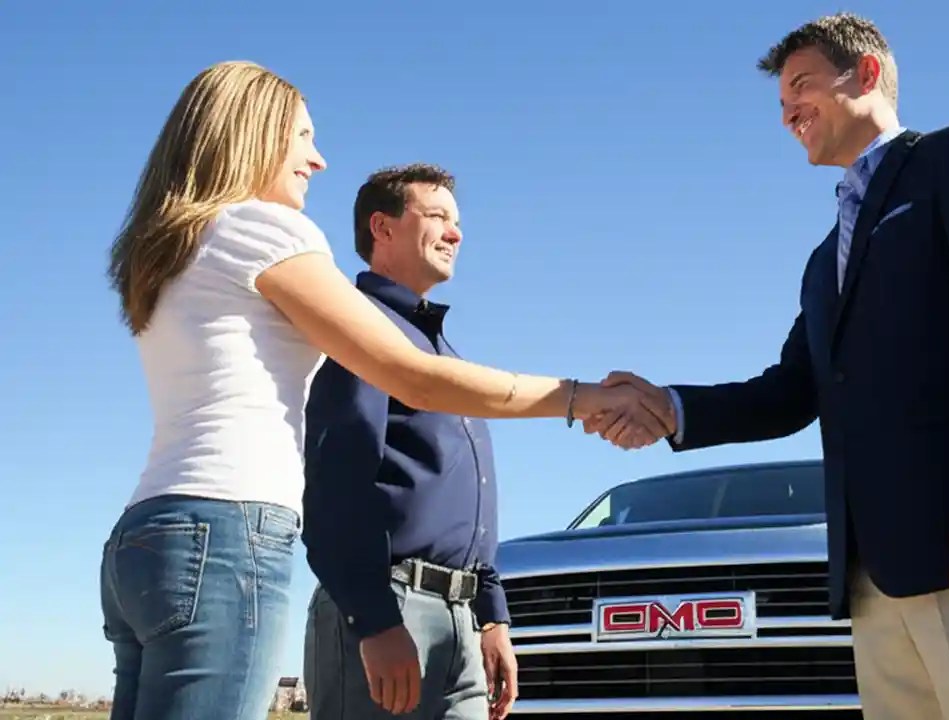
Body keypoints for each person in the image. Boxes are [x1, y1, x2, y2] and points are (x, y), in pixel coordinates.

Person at [586, 12, 949, 720]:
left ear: (866, 74)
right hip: (875, 578)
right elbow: (790, 392)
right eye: (779, 104)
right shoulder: (822, 260)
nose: (788, 114)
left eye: (801, 87)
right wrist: (669, 407)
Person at [98, 61, 669, 720]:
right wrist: (581, 396)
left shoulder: (175, 244)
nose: (317, 159)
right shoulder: (263, 227)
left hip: (147, 536)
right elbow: (411, 377)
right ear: (253, 134)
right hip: (227, 533)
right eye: (302, 136)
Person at [302, 164, 516, 719]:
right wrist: (374, 620)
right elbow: (332, 486)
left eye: (458, 221)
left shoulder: (441, 354)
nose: (456, 233)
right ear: (383, 227)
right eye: (439, 217)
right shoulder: (360, 332)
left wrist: (491, 617)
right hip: (391, 610)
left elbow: (470, 501)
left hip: (462, 624)